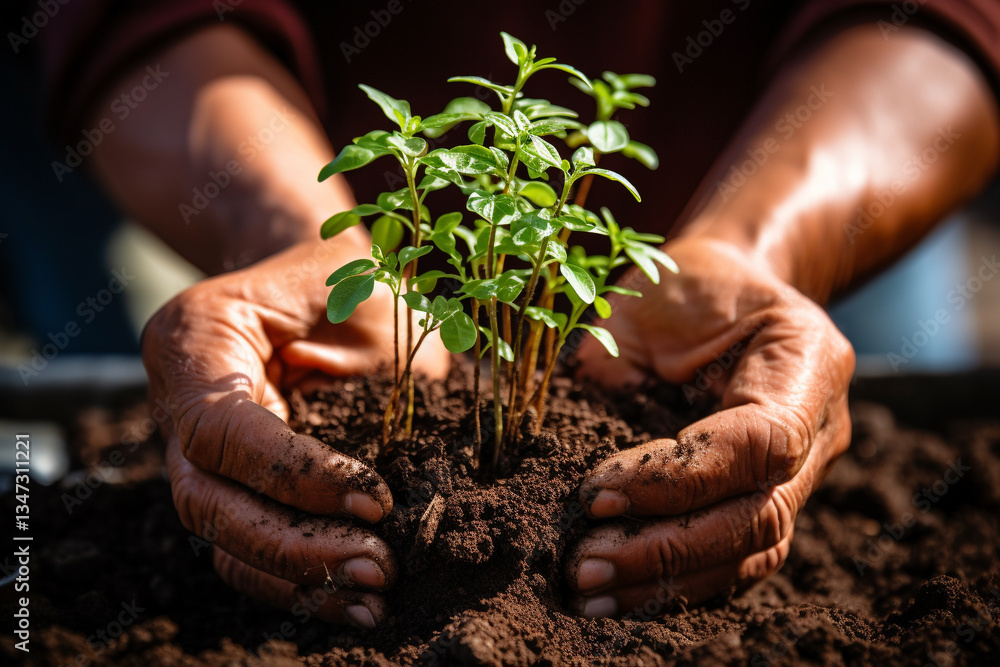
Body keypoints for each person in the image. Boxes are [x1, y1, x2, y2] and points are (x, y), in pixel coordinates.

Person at [29, 1, 999, 628]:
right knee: (173, 417)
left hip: (843, 135)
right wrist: (291, 228)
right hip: (232, 140)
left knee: (845, 425)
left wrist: (764, 248)